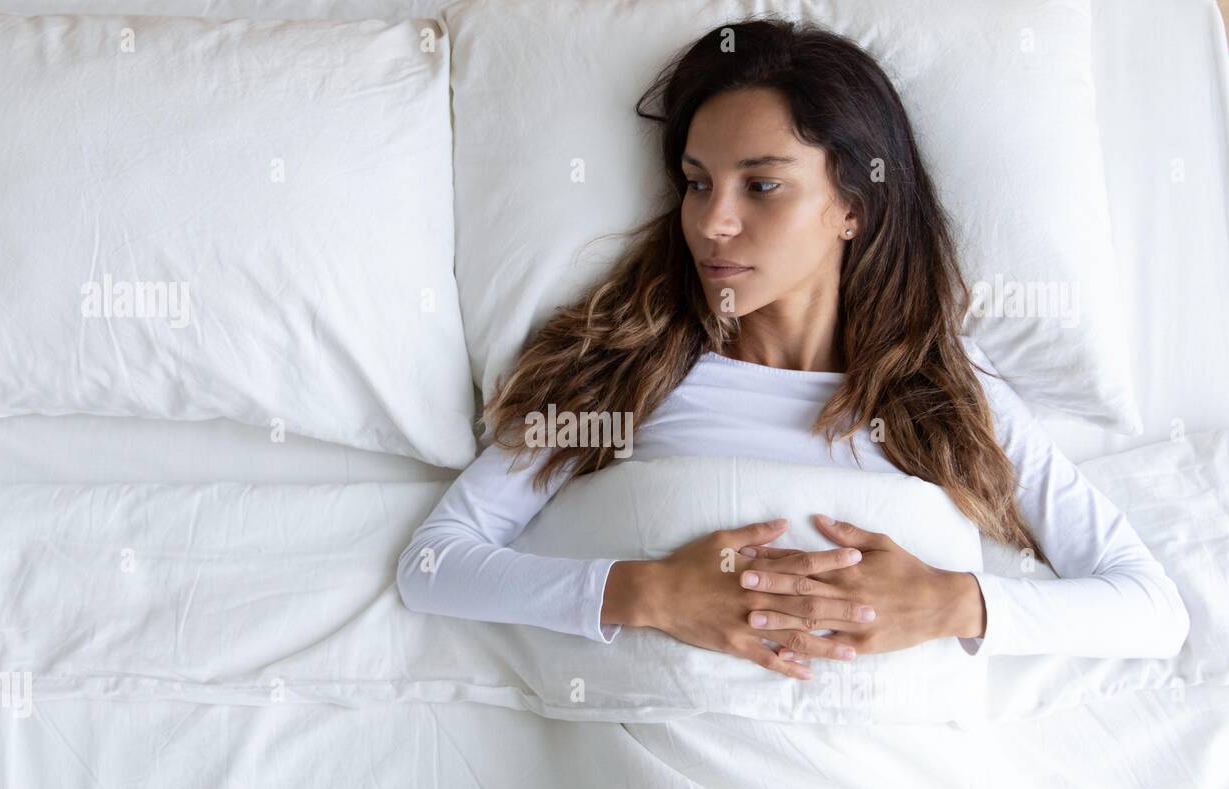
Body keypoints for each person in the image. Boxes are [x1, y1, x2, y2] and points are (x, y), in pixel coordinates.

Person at [397, 18, 1189, 681]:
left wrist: (953, 603)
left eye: (761, 185)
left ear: (852, 203)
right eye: (697, 183)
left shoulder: (944, 395)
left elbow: (1151, 608)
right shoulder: (625, 373)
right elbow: (434, 565)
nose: (712, 222)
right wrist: (649, 594)